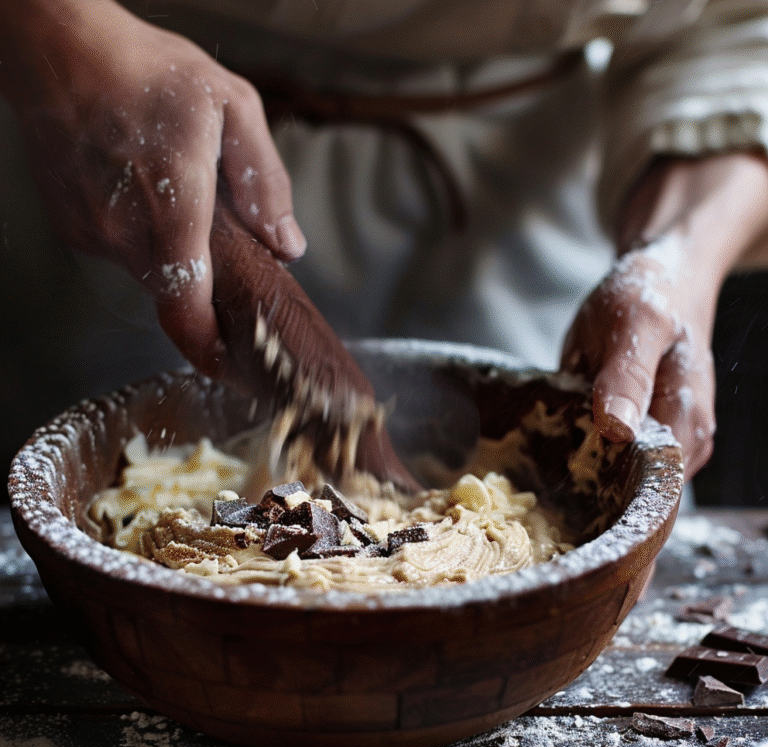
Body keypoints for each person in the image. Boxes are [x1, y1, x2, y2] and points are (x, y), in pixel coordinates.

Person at [1, 0, 768, 485]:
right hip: (139, 152)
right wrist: (58, 33)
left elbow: (739, 33)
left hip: (524, 208)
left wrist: (679, 252)